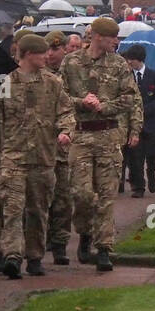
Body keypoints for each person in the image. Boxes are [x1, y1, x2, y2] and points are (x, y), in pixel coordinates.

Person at [0, 34, 74, 278]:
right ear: (27, 55)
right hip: (13, 157)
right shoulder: (5, 83)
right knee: (11, 209)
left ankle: (34, 256)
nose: (48, 56)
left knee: (38, 210)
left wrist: (65, 132)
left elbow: (66, 112)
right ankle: (12, 255)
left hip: (43, 158)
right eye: (42, 52)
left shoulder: (53, 83)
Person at [61, 16, 141, 272]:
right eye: (111, 38)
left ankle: (104, 247)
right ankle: (84, 232)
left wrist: (104, 107)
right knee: (82, 193)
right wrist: (81, 102)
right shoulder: (71, 62)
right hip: (81, 136)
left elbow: (129, 97)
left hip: (108, 135)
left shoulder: (118, 64)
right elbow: (59, 96)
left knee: (106, 195)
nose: (116, 42)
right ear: (97, 37)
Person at [45, 32, 79, 265]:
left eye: (55, 49)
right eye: (46, 50)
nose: (50, 54)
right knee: (37, 201)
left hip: (60, 147)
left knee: (62, 199)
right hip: (36, 149)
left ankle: (59, 243)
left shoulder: (68, 74)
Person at [120, 43, 155, 198]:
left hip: (151, 122)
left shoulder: (154, 75)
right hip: (133, 125)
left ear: (139, 59)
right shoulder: (126, 77)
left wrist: (144, 110)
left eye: (131, 59)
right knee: (135, 157)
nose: (129, 62)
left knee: (152, 154)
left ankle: (151, 171)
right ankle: (138, 186)